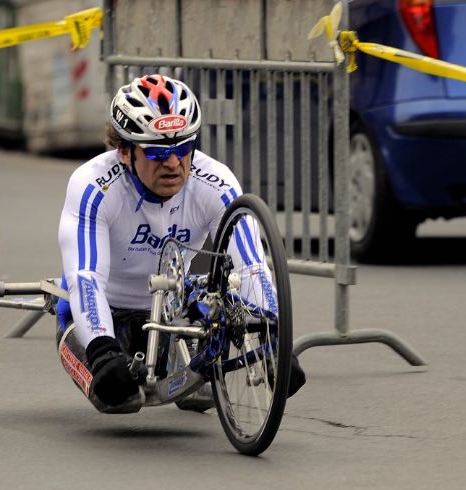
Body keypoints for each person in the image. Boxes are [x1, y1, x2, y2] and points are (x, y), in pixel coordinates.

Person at [55, 74, 305, 410]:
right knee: (119, 398)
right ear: (125, 152)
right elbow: (86, 278)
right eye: (157, 153)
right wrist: (101, 349)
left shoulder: (215, 182)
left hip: (172, 308)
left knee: (201, 396)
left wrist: (274, 337)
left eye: (184, 148)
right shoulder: (93, 187)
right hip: (106, 310)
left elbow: (251, 264)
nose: (173, 163)